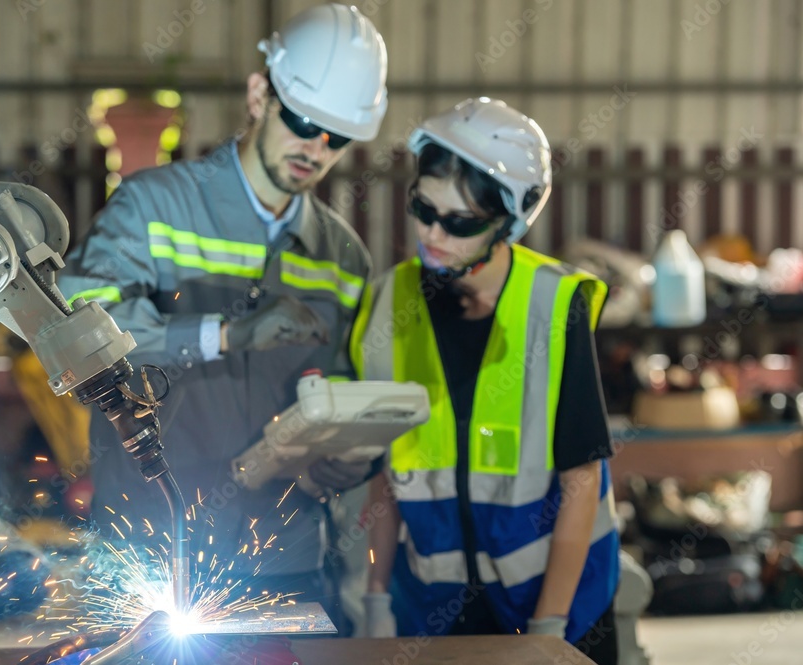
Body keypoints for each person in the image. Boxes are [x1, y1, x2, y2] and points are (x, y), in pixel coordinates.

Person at [57, 3, 388, 628]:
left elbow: (337, 388)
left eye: (337, 136)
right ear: (260, 94)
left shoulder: (344, 257)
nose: (316, 147)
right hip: (153, 559)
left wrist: (345, 458)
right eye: (304, 120)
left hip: (284, 561)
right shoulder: (154, 209)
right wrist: (223, 333)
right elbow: (78, 327)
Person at [352, 98, 620, 664]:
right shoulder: (385, 306)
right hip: (434, 612)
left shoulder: (553, 304)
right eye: (423, 208)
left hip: (564, 606)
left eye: (461, 221)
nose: (433, 233)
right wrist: (376, 597)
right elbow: (384, 472)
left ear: (509, 220)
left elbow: (581, 478)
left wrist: (549, 628)